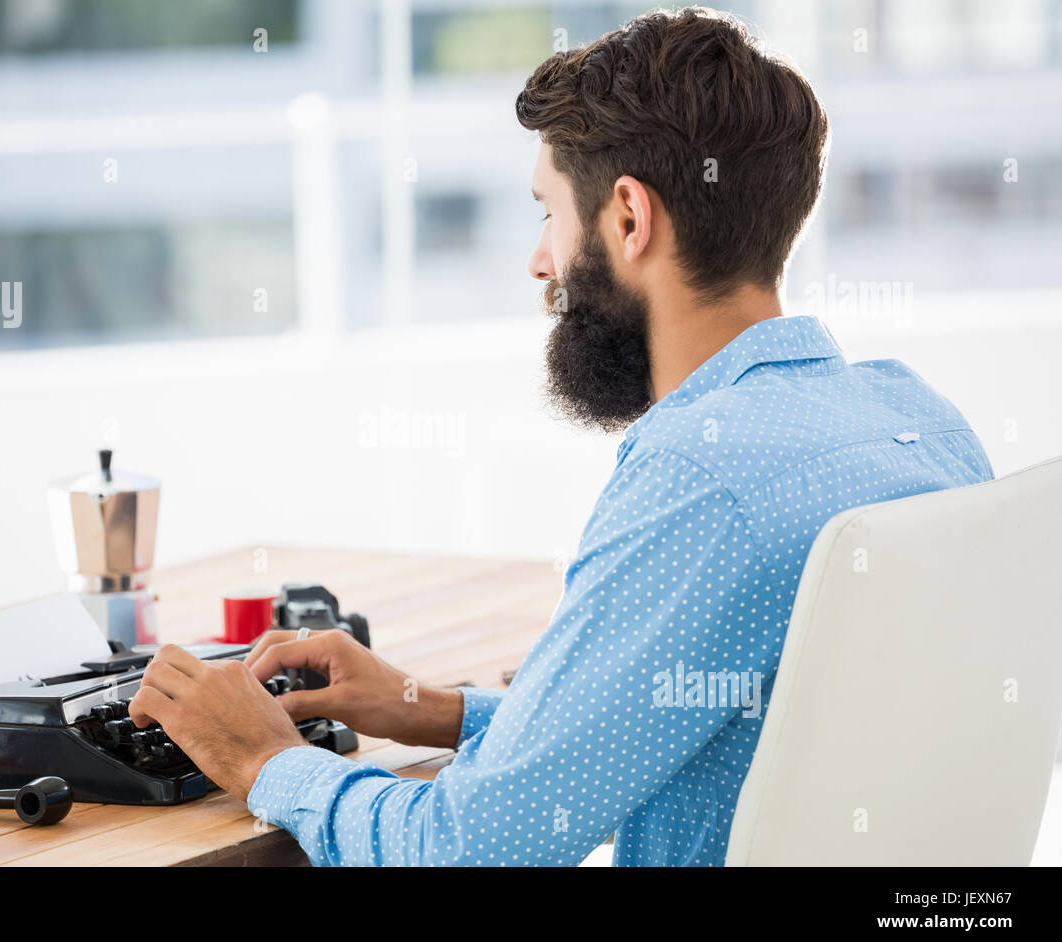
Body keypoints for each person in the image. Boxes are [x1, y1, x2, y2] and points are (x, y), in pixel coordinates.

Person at [128, 7, 993, 866]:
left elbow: (465, 854)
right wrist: (431, 708)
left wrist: (264, 759)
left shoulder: (699, 478)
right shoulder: (923, 424)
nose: (539, 261)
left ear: (627, 219)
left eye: (547, 212)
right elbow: (729, 730)